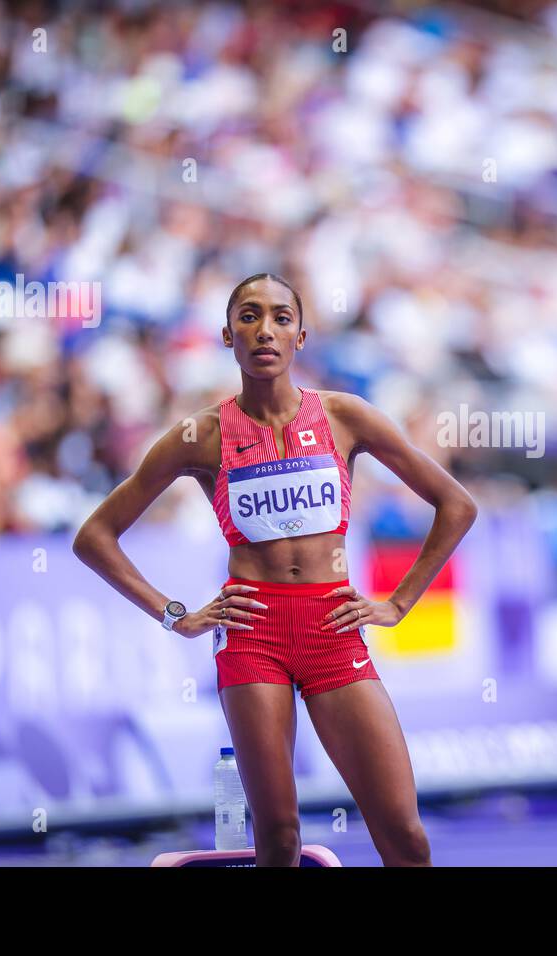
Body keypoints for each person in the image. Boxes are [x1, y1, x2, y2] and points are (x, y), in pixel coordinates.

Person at [73, 273, 477, 866]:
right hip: (252, 636)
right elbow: (94, 537)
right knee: (280, 837)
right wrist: (175, 614)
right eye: (249, 316)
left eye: (281, 318)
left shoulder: (346, 417)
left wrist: (397, 603)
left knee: (405, 834)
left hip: (333, 631)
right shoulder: (199, 436)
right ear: (227, 335)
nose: (265, 329)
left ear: (301, 337)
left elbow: (456, 505)